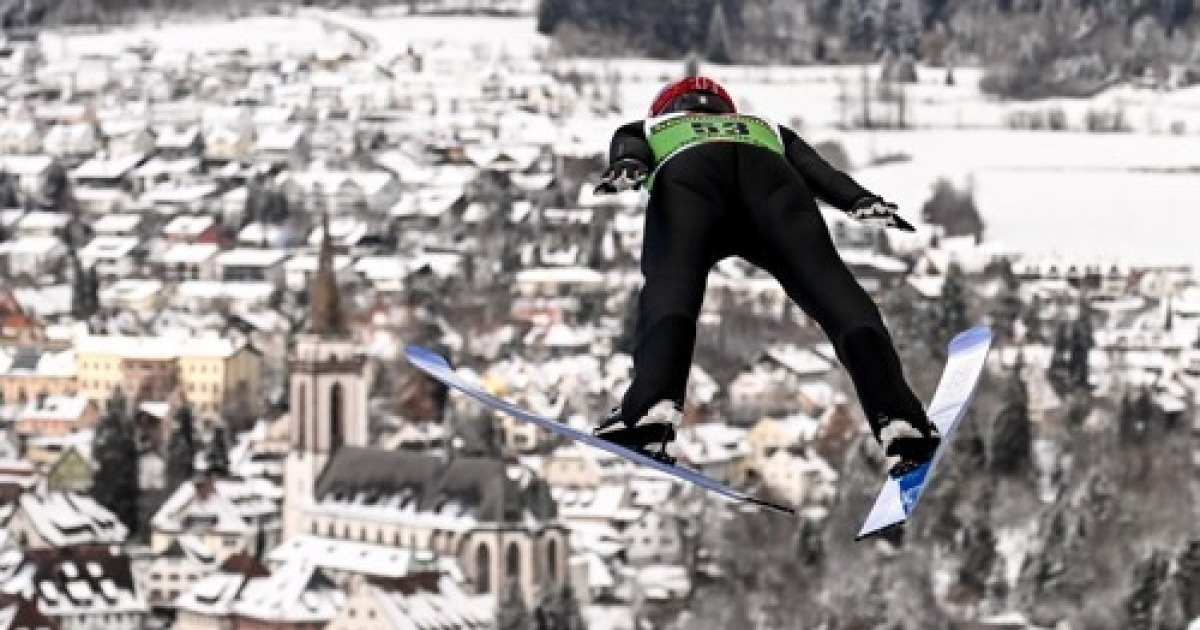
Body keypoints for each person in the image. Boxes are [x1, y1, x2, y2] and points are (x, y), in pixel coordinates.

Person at [592, 76, 937, 476]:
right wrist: (860, 201)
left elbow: (629, 148)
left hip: (690, 181)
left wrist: (627, 166)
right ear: (727, 109)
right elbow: (818, 171)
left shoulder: (653, 128)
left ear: (667, 109)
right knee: (839, 299)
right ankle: (900, 420)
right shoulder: (766, 127)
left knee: (671, 296)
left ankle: (650, 408)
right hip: (772, 184)